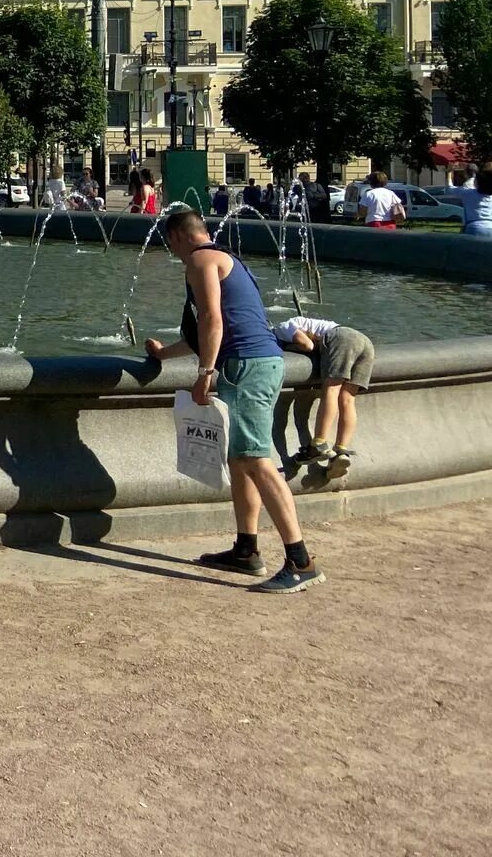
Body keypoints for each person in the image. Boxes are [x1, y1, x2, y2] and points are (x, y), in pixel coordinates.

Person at [143, 208, 325, 593]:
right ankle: (246, 550)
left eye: (169, 244)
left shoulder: (199, 261)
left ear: (177, 236)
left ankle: (301, 561)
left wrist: (204, 374)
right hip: (261, 362)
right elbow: (216, 326)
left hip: (244, 368)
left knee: (255, 460)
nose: (172, 251)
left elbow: (212, 320)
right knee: (240, 460)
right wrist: (164, 354)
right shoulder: (228, 259)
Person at [275, 315, 375, 481]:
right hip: (365, 343)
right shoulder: (303, 323)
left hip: (342, 338)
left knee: (331, 390)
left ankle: (319, 444)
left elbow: (307, 345)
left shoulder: (282, 328)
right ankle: (341, 450)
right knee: (348, 399)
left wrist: (291, 348)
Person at [461, 168, 492, 238]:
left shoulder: (469, 193)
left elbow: (450, 188)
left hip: (473, 227)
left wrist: (449, 173)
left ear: (478, 183)